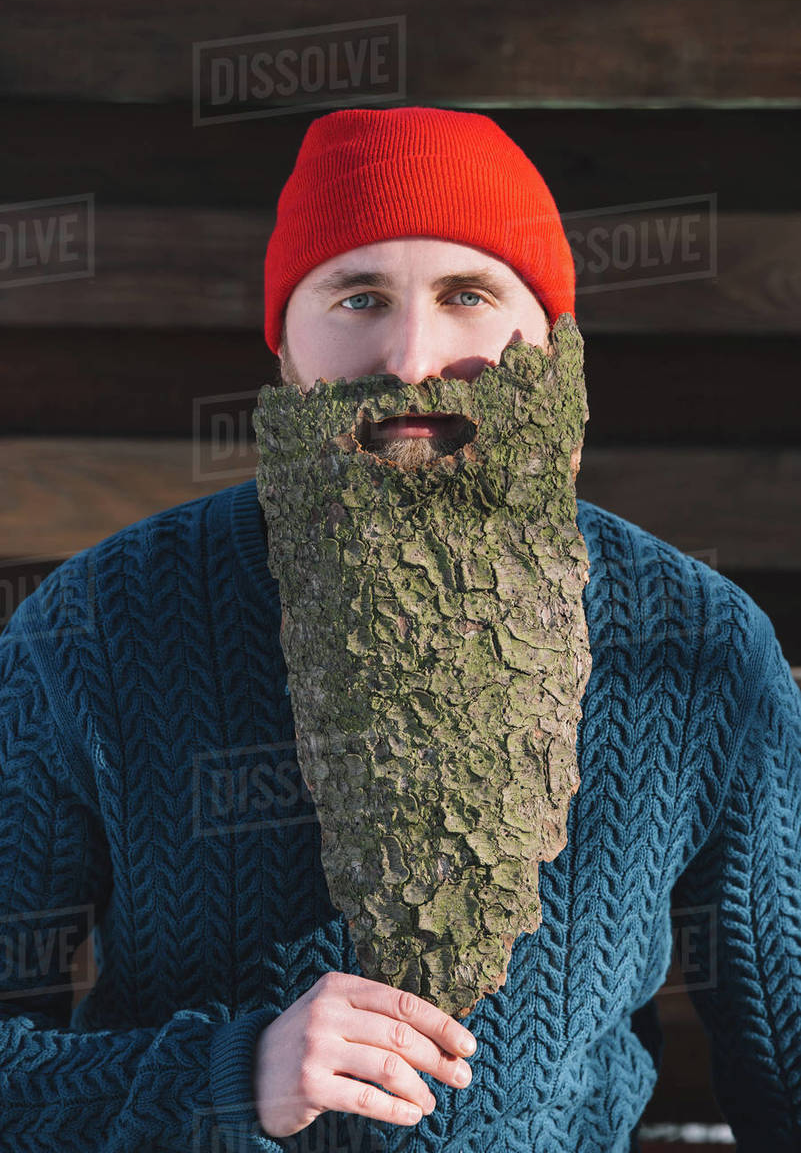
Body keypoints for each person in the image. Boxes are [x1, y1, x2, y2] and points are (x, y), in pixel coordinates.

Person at [0, 106, 798, 1153]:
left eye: (468, 295)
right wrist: (231, 1075)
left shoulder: (697, 646)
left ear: (550, 335)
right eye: (359, 296)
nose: (413, 357)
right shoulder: (98, 623)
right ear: (285, 339)